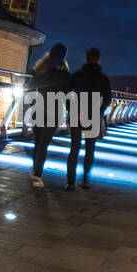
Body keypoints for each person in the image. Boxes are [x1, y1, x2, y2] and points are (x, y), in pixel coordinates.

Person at [66, 48, 112, 191]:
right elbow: (107, 98)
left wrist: (71, 109)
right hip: (92, 115)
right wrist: (99, 112)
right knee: (89, 148)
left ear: (86, 59)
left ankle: (71, 182)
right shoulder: (102, 78)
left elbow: (67, 94)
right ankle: (85, 178)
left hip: (76, 114)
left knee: (74, 148)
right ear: (98, 59)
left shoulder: (77, 75)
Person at [27, 43, 71, 187]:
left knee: (38, 142)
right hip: (54, 112)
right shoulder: (64, 75)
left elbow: (28, 88)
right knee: (43, 144)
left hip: (37, 110)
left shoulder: (39, 70)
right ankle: (37, 176)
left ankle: (35, 171)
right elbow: (69, 96)